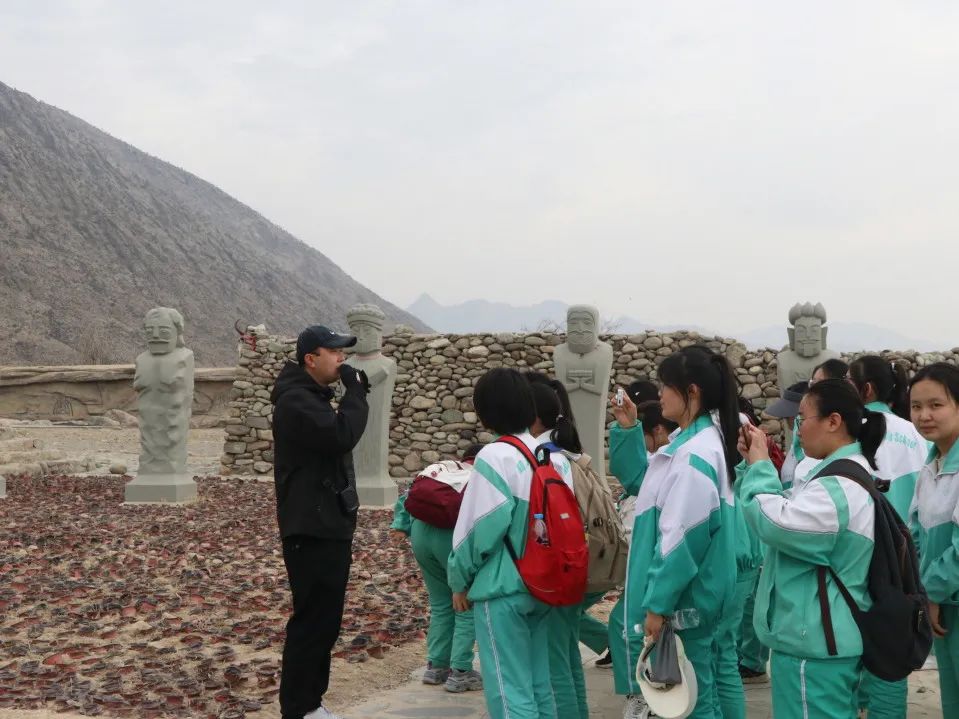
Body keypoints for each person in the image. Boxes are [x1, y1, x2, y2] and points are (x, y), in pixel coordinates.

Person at [737, 379, 885, 719]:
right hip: (820, 639)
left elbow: (773, 522)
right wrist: (752, 465)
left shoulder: (838, 487)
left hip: (815, 644)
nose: (797, 429)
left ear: (833, 421)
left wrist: (760, 466)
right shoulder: (838, 477)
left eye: (803, 418)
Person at [609, 345, 741, 719]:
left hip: (686, 602)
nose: (660, 394)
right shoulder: (693, 444)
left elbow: (682, 540)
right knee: (702, 693)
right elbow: (642, 478)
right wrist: (626, 428)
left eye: (666, 386)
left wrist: (658, 604)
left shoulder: (694, 455)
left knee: (692, 702)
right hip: (698, 596)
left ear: (692, 391)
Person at [447, 367, 576, 719]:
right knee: (538, 685)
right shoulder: (555, 458)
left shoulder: (495, 456)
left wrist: (459, 580)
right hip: (544, 585)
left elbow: (479, 530)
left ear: (486, 411)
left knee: (508, 690)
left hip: (503, 588)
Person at [270, 325, 370, 719]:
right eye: (335, 352)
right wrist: (357, 393)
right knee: (312, 621)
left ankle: (312, 703)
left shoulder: (311, 397)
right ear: (311, 358)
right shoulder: (297, 401)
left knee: (325, 621)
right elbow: (341, 435)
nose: (342, 359)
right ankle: (299, 708)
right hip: (310, 528)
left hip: (326, 522)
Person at [849, 356, 930, 718]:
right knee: (892, 646)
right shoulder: (914, 432)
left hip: (861, 550)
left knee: (859, 642)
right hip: (903, 556)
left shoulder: (855, 429)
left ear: (865, 389)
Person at [390, 444, 484, 693]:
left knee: (441, 603)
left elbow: (406, 497)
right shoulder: (482, 477)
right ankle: (461, 671)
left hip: (420, 534)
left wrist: (400, 525)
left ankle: (436, 666)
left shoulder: (445, 469)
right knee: (465, 604)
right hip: (451, 538)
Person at [526, 375, 592, 719]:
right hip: (573, 565)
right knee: (566, 657)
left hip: (555, 570)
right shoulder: (565, 453)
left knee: (554, 665)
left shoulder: (543, 457)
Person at [601, 400, 676, 675]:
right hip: (668, 562)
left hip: (664, 563)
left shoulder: (674, 457)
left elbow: (636, 479)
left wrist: (627, 427)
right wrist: (629, 427)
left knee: (628, 625)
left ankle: (642, 695)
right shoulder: (694, 451)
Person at [909, 363, 959, 717]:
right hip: (941, 603)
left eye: (936, 405)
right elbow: (915, 532)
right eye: (915, 406)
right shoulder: (932, 464)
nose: (924, 415)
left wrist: (934, 592)